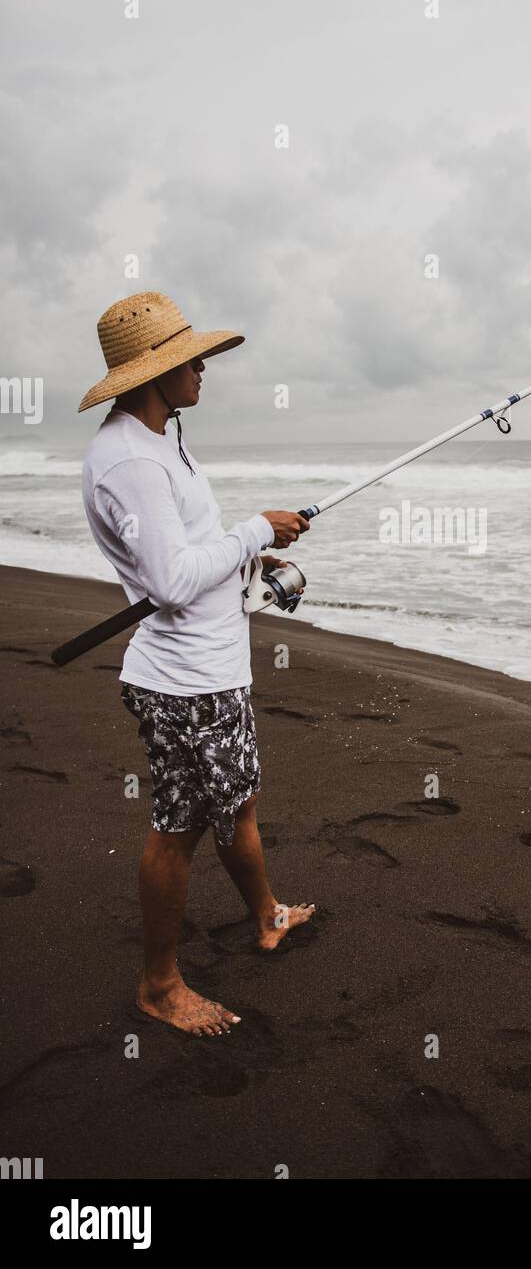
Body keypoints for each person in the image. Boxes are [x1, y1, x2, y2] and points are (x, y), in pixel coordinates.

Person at [79, 290, 314, 1037]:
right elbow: (170, 583)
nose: (203, 368)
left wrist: (249, 558)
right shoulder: (127, 462)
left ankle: (268, 916)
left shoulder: (162, 437)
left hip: (215, 670)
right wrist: (253, 529)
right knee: (178, 827)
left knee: (237, 802)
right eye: (189, 359)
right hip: (185, 684)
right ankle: (159, 985)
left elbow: (189, 552)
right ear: (152, 374)